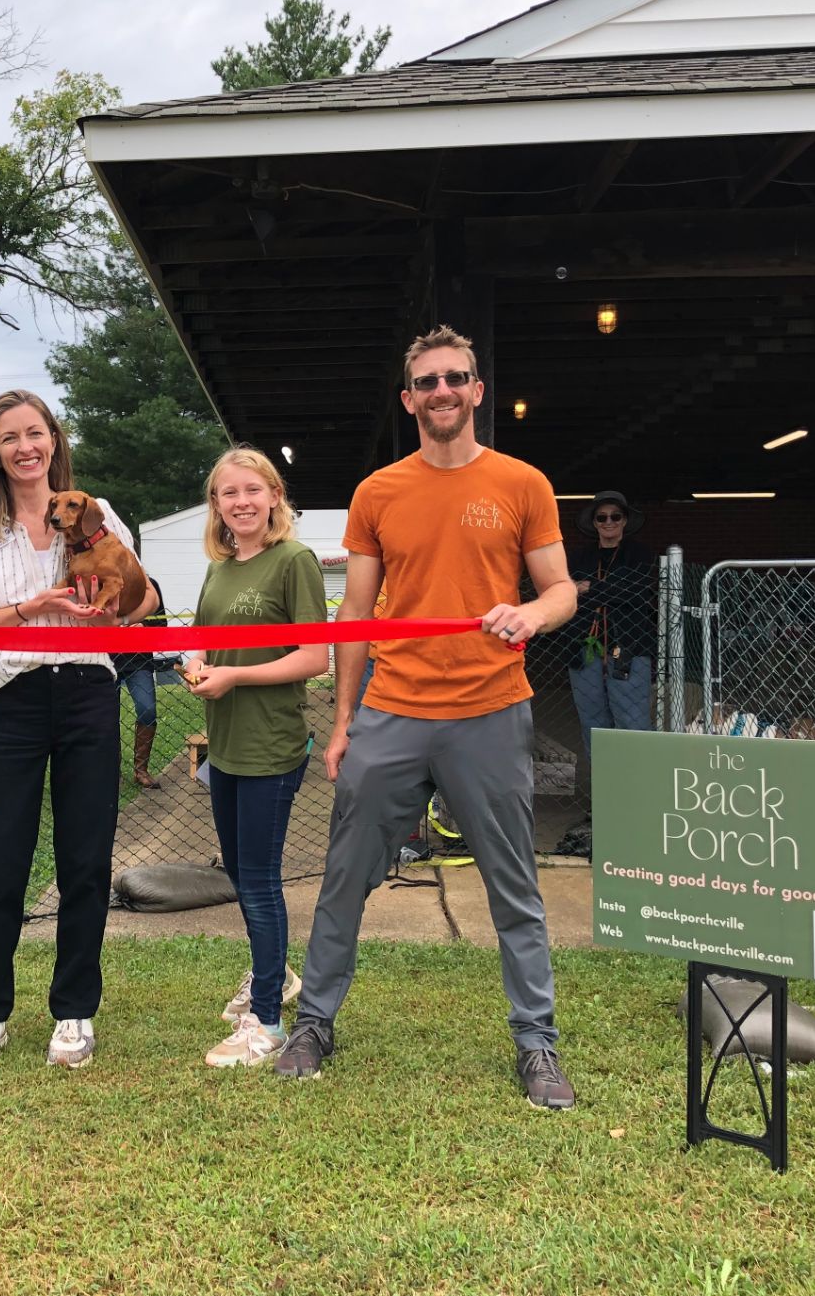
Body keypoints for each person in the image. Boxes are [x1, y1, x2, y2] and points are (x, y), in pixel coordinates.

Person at [274, 326, 580, 1110]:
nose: (442, 390)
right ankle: (314, 1022)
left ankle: (536, 1041)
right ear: (408, 399)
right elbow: (357, 612)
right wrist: (344, 719)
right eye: (427, 382)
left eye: (455, 378)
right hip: (394, 709)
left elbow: (561, 590)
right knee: (345, 875)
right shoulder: (378, 492)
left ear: (477, 389)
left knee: (514, 884)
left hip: (491, 710)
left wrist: (531, 613)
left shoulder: (523, 483)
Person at [0, 389, 159, 1070]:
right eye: (10, 437)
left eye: (35, 433)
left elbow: (147, 596)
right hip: (12, 697)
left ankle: (74, 1009)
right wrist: (27, 608)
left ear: (54, 440)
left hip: (88, 692)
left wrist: (118, 611)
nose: (25, 447)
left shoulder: (97, 512)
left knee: (85, 860)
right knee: (0, 858)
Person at [181, 449, 326, 1068]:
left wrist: (235, 676)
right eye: (228, 493)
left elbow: (314, 657)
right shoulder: (219, 568)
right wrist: (195, 661)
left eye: (251, 490)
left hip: (270, 745)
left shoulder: (294, 560)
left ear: (274, 496)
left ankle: (266, 1021)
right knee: (241, 875)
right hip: (226, 744)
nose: (240, 502)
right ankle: (276, 973)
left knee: (261, 882)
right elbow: (203, 637)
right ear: (216, 505)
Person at [559, 490, 657, 858]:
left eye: (616, 516)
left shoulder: (640, 555)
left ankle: (638, 807)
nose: (609, 523)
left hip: (628, 651)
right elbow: (564, 594)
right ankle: (605, 805)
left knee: (632, 728)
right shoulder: (578, 558)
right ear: (594, 523)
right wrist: (601, 591)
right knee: (594, 730)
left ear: (625, 520)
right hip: (585, 653)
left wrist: (589, 588)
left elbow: (635, 591)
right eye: (602, 517)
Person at [114, 574, 169, 788]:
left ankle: (141, 770)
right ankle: (113, 770)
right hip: (106, 660)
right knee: (107, 717)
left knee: (147, 710)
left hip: (139, 661)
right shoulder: (100, 584)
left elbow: (161, 625)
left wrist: (143, 627)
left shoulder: (149, 585)